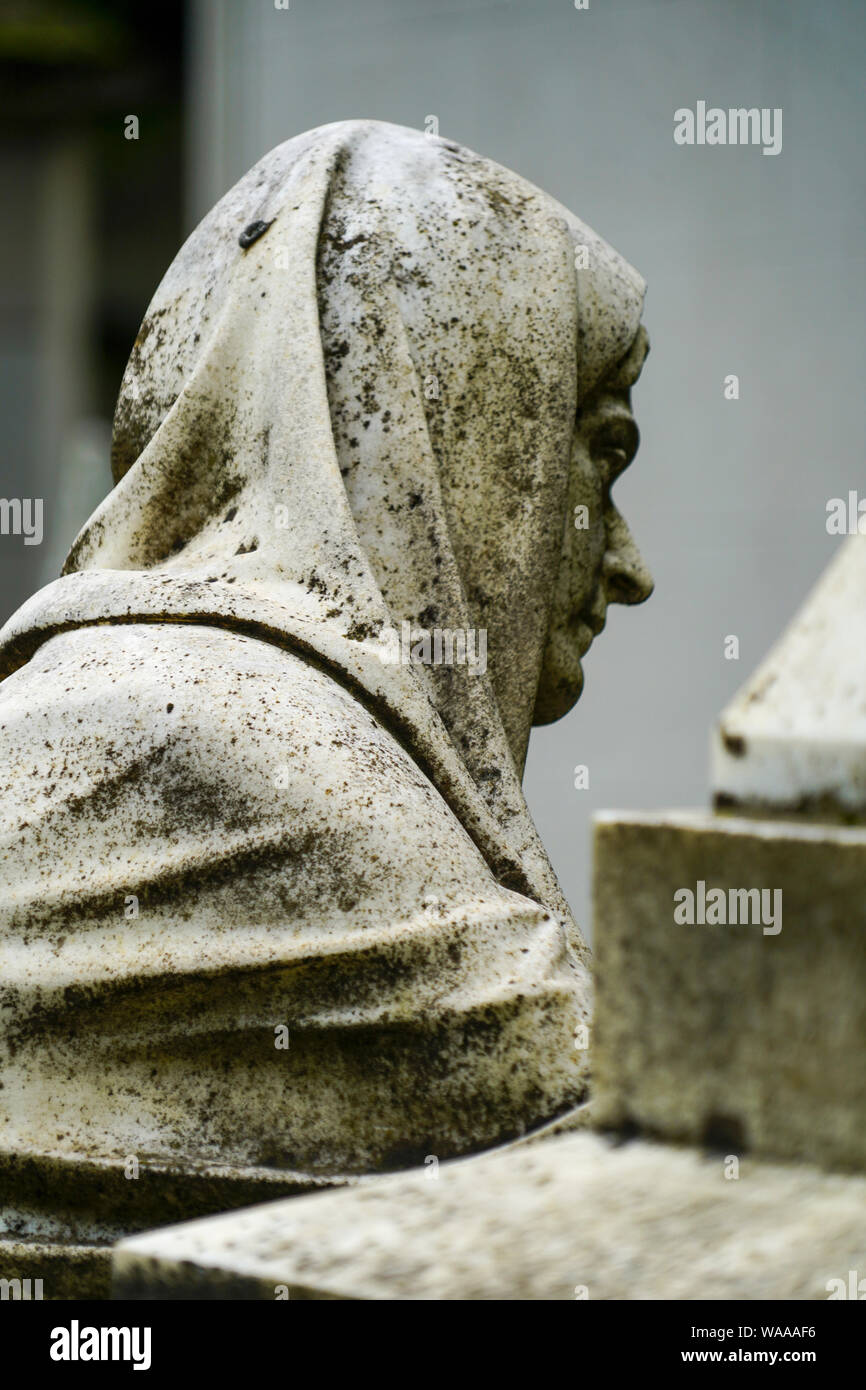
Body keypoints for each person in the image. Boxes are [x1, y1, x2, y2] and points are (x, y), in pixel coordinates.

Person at [0, 120, 652, 1178]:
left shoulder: (126, 678)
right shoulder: (246, 751)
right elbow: (637, 1136)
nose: (627, 565)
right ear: (478, 440)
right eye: (602, 454)